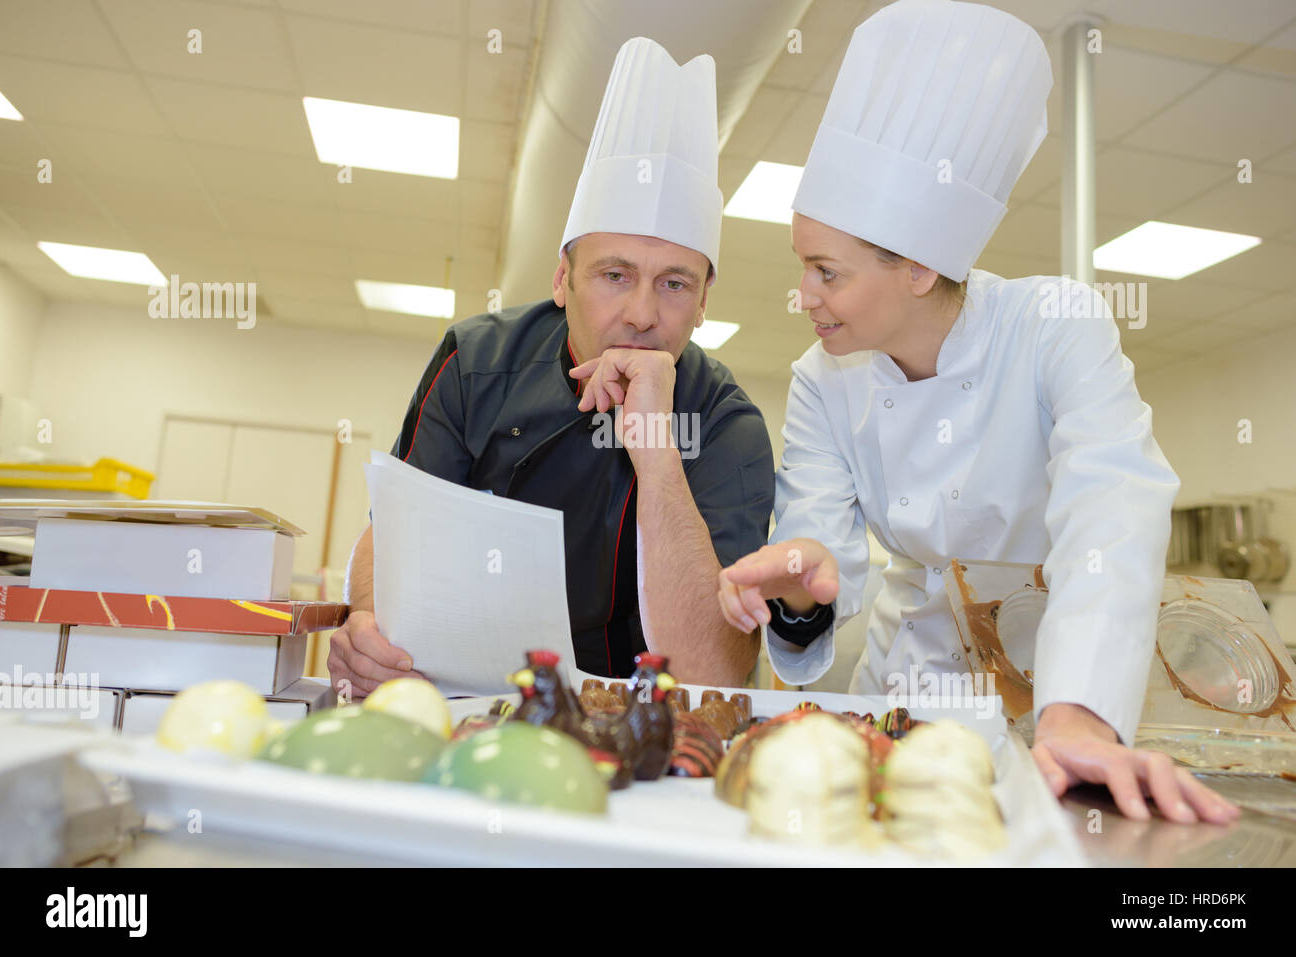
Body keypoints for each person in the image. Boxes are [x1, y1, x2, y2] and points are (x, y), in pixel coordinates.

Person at [716, 0, 1239, 825]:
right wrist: (806, 587)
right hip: (902, 691)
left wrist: (1080, 711)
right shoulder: (823, 378)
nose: (803, 295)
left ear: (919, 267)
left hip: (1058, 697)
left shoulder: (1053, 325)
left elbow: (1113, 500)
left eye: (827, 272)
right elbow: (821, 553)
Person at [329, 37, 774, 697]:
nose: (643, 313)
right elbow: (393, 539)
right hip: (468, 695)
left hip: (639, 721)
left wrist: (655, 449)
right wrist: (368, 626)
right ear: (562, 278)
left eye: (675, 283)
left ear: (705, 299)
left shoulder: (728, 424)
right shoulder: (477, 362)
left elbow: (715, 672)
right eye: (614, 275)